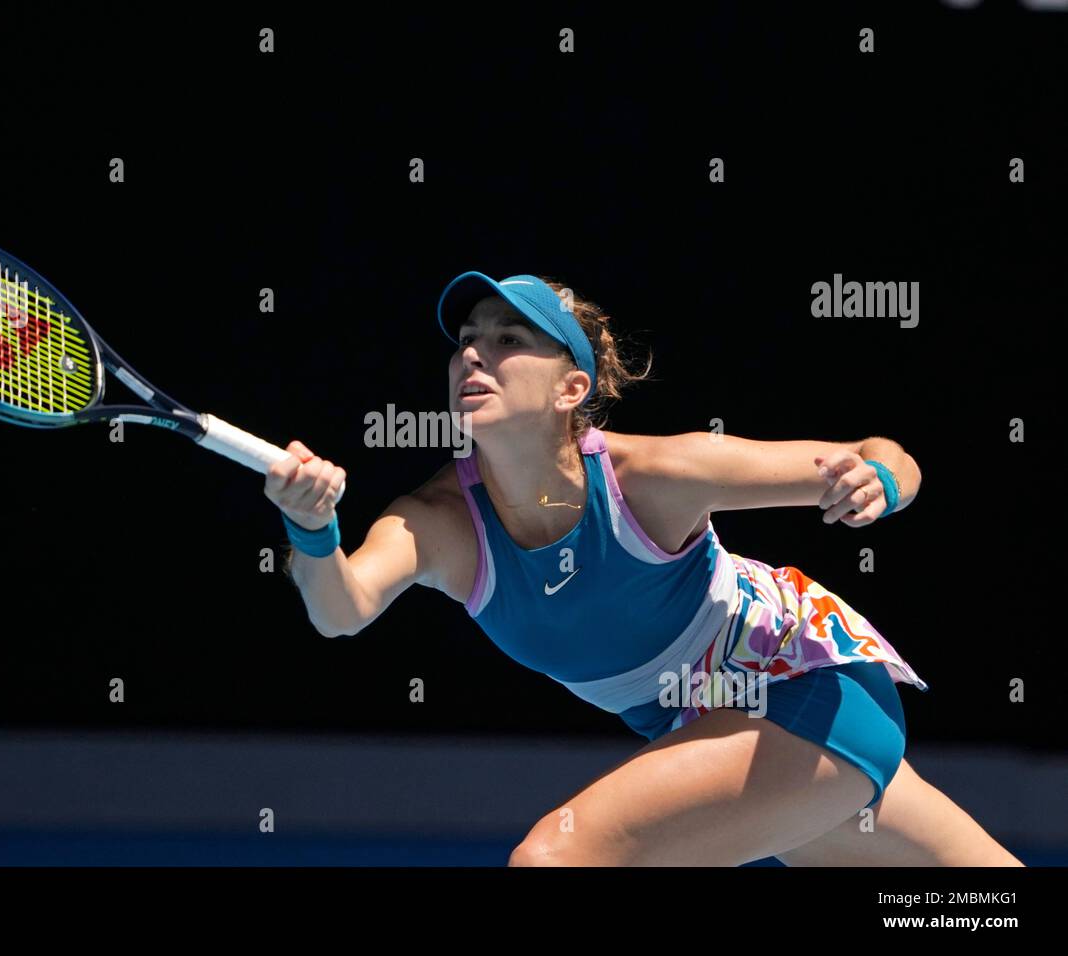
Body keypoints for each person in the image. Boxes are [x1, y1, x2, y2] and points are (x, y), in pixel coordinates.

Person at [266, 271, 1023, 867]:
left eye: (507, 339)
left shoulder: (657, 475)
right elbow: (342, 609)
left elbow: (880, 452)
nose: (474, 352)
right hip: (717, 728)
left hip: (807, 686)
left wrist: (880, 483)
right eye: (466, 338)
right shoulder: (437, 523)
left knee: (557, 858)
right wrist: (310, 528)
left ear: (572, 389)